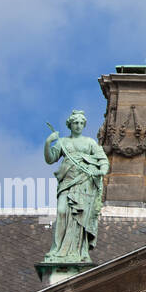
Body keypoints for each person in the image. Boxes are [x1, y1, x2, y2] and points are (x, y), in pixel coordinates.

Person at [42, 110, 109, 264]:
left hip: (84, 184)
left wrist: (101, 171)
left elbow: (103, 160)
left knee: (79, 218)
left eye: (80, 123)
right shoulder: (63, 142)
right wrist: (48, 143)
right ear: (70, 125)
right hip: (67, 183)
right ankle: (57, 250)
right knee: (61, 212)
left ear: (84, 125)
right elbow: (50, 159)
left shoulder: (90, 142)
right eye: (75, 123)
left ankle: (78, 251)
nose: (78, 126)